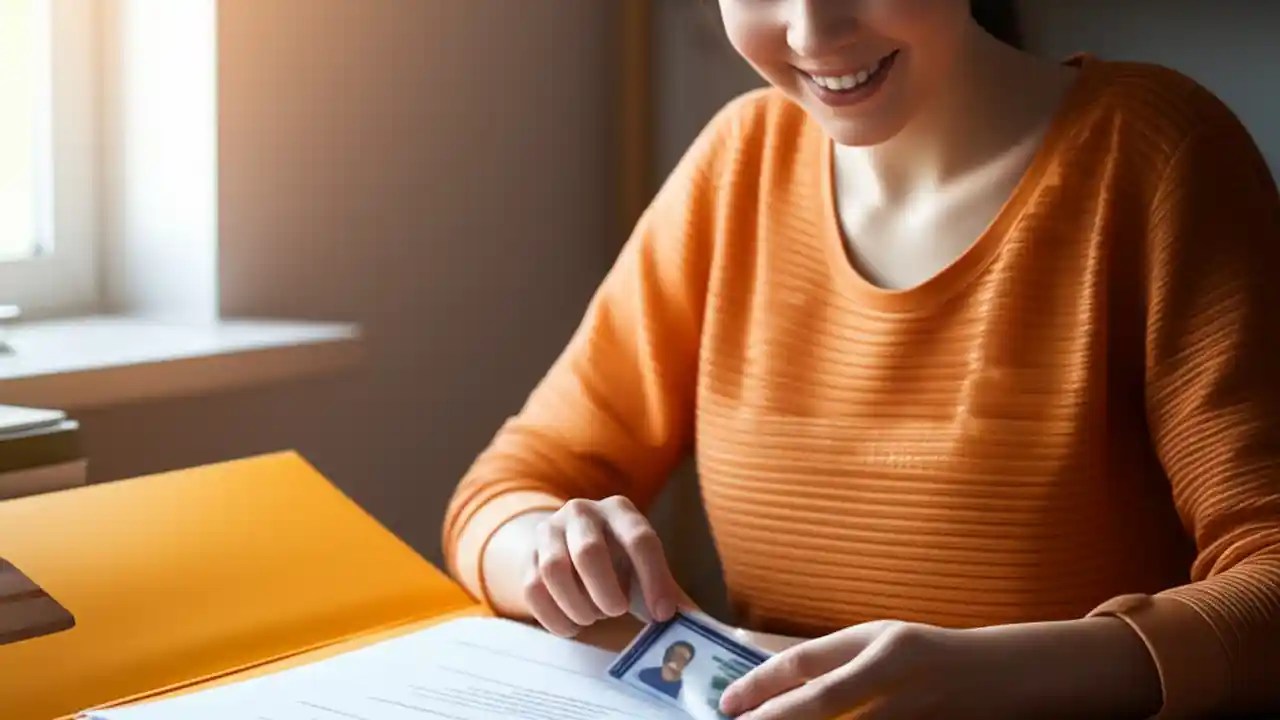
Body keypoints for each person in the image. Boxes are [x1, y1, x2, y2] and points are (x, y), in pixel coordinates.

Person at [443, 1, 1280, 718]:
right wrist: (549, 550)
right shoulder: (739, 162)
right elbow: (501, 495)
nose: (811, 31)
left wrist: (999, 678)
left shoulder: (1157, 155)